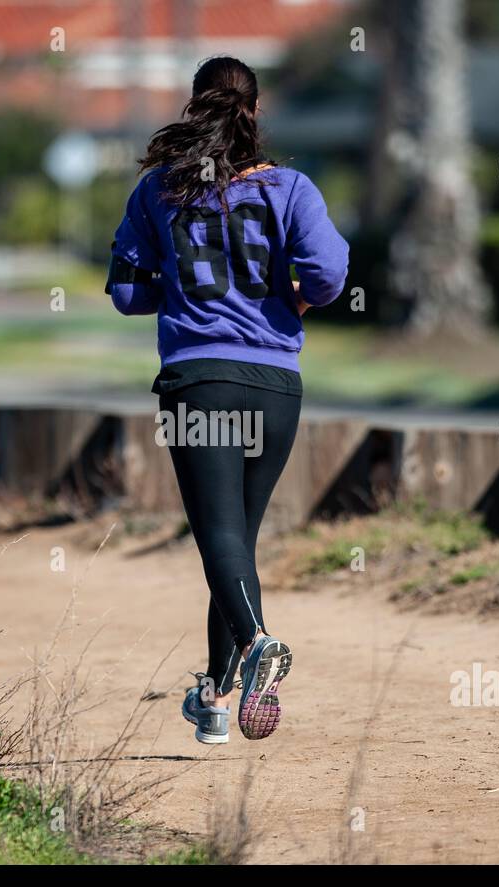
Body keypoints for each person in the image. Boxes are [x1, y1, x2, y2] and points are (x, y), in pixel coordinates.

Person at [106, 56, 348, 743]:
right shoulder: (293, 187)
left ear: (194, 106)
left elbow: (127, 292)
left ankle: (260, 642)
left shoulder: (157, 191)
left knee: (217, 536)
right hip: (276, 386)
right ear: (256, 111)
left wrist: (176, 293)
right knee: (235, 539)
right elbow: (328, 274)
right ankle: (214, 696)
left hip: (199, 381)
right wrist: (296, 297)